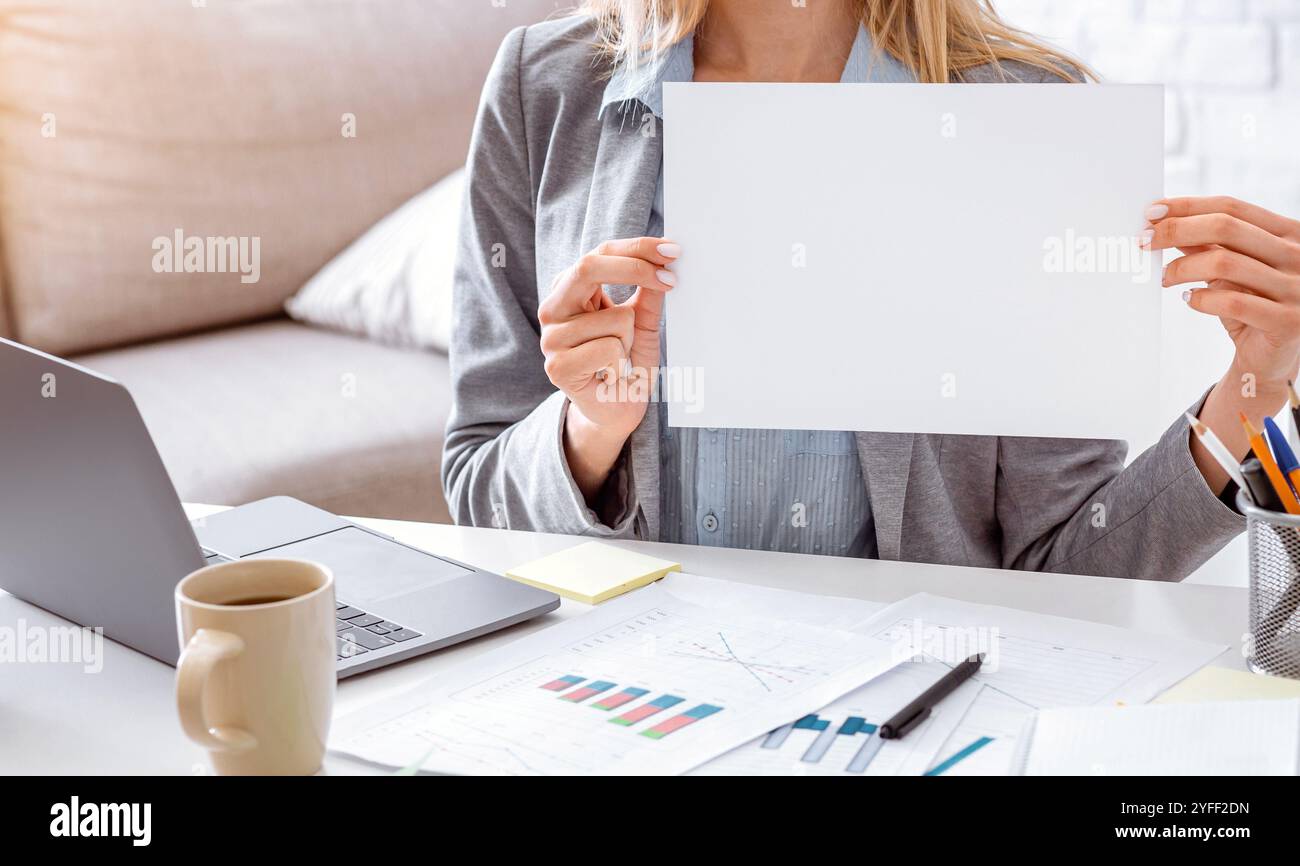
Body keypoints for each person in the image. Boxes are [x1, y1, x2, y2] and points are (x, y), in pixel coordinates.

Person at [443, 0, 1300, 581]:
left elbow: (1071, 570)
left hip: (906, 720)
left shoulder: (1028, 118)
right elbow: (477, 489)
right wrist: (588, 431)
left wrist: (1251, 393)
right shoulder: (543, 84)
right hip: (631, 704)